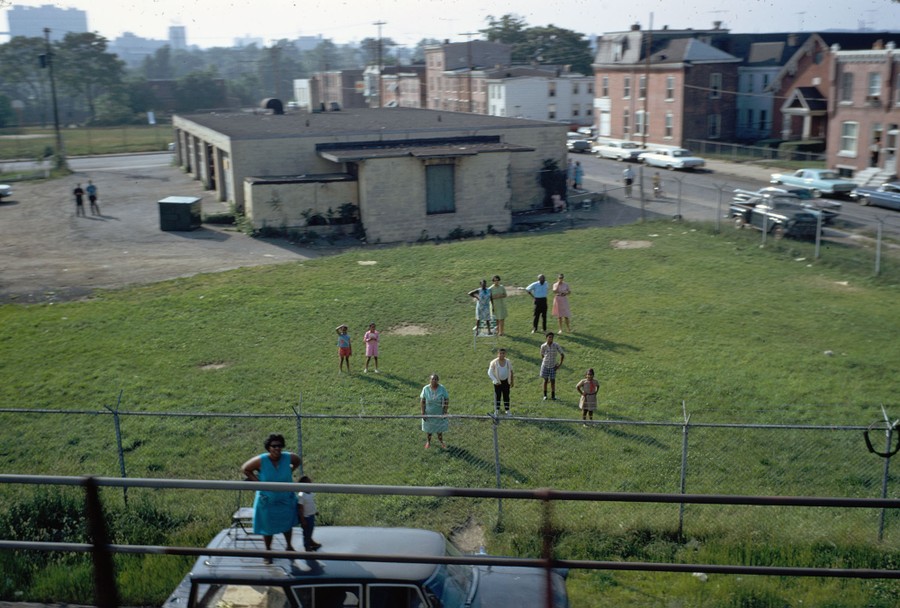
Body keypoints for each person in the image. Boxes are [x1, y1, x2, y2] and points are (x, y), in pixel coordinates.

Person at [240, 433, 301, 563]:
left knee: (287, 524)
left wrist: (289, 471)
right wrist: (258, 483)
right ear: (268, 447)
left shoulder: (288, 457)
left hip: (285, 498)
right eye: (274, 446)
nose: (277, 448)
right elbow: (245, 469)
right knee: (267, 527)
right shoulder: (261, 460)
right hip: (267, 500)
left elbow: (298, 461)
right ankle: (268, 551)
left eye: (279, 446)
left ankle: (289, 547)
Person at [420, 373, 449, 449]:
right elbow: (422, 400)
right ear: (430, 380)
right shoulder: (425, 389)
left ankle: (441, 442)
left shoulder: (442, 388)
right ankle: (428, 442)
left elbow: (446, 399)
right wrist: (423, 412)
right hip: (428, 413)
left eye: (435, 379)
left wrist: (445, 410)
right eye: (432, 379)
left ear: (438, 380)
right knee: (429, 430)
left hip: (439, 413)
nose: (434, 380)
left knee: (439, 430)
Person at [297, 475, 322, 551]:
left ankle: (310, 541)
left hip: (311, 515)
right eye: (309, 482)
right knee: (306, 532)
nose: (311, 483)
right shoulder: (301, 495)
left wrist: (315, 512)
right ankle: (307, 546)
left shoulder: (310, 492)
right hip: (306, 517)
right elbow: (300, 508)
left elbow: (311, 503)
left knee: (310, 530)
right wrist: (303, 519)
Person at [487, 348, 515, 415]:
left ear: (505, 354)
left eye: (503, 353)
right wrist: (495, 380)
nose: (502, 355)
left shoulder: (508, 361)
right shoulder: (494, 362)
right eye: (500, 353)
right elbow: (489, 373)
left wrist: (512, 381)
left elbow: (511, 371)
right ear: (498, 354)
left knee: (506, 396)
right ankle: (497, 410)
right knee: (498, 396)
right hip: (498, 383)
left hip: (506, 382)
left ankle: (507, 410)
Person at [539, 332, 565, 401]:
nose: (551, 339)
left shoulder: (556, 345)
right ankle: (545, 395)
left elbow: (562, 354)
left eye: (552, 337)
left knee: (553, 381)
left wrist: (559, 365)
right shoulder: (543, 346)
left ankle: (553, 396)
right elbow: (542, 355)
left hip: (553, 366)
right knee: (545, 380)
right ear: (546, 338)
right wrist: (544, 361)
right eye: (549, 337)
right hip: (545, 365)